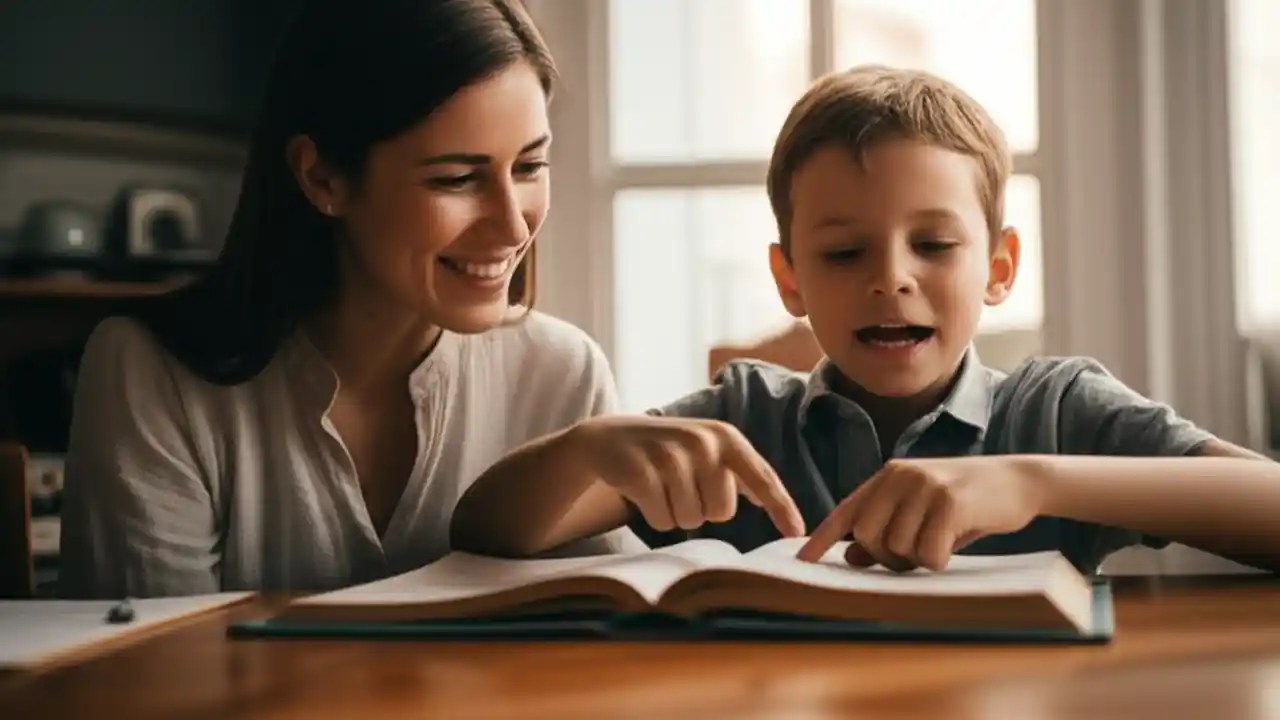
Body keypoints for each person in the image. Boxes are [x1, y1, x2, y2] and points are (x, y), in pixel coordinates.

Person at [451, 65, 1280, 575]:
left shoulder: (1058, 414)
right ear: (790, 279)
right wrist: (585, 447)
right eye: (846, 253)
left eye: (934, 245)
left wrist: (1034, 482)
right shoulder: (743, 420)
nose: (891, 279)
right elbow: (486, 532)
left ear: (999, 268)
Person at [60, 0, 637, 599]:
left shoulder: (563, 375)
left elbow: (601, 630)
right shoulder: (150, 373)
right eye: (457, 179)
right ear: (323, 178)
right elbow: (154, 654)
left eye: (530, 166)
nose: (514, 227)